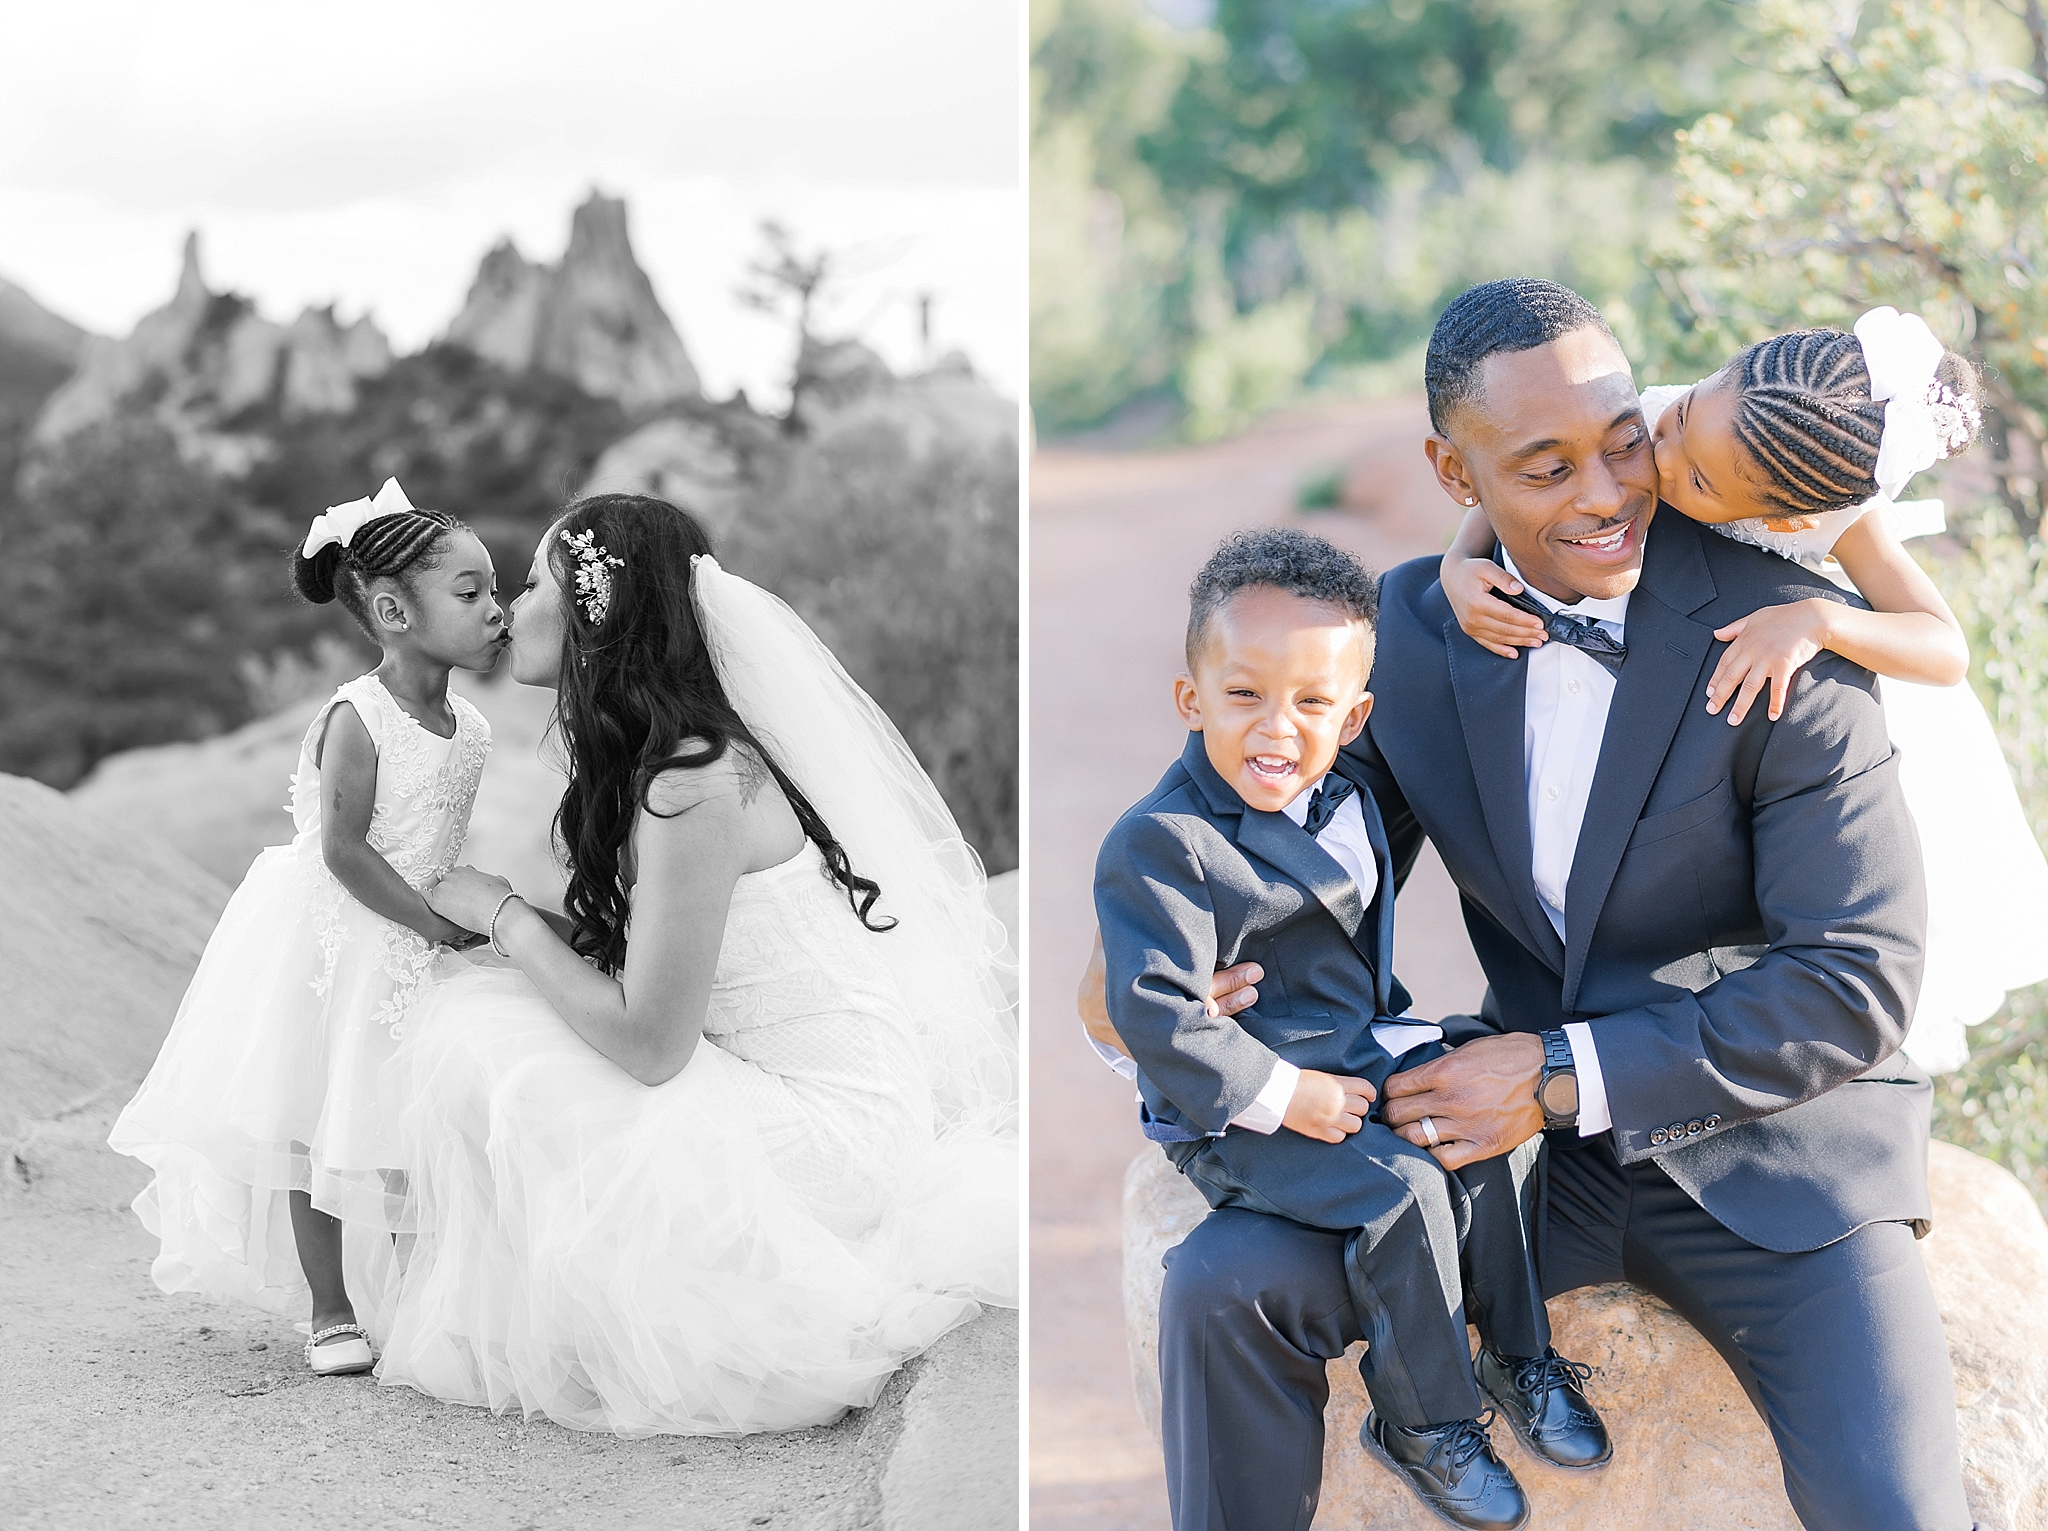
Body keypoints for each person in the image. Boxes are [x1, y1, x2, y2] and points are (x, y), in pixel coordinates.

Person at [1084, 278, 1976, 1529]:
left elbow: (1854, 983)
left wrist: (1555, 1073)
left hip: (1777, 1153)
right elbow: (1276, 827)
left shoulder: (1788, 636)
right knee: (1221, 1286)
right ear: (1455, 474)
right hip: (1512, 1169)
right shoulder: (1407, 628)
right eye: (1543, 467)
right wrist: (1145, 952)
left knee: (1901, 1512)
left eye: (1620, 442)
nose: (1606, 493)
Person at [371, 493, 1017, 1437]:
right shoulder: (658, 762)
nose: (513, 605)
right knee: (492, 1003)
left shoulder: (693, 782)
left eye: (539, 580)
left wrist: (506, 916)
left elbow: (649, 1041)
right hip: (767, 1076)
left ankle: (573, 1324)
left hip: (833, 1130)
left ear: (598, 614)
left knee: (484, 1043)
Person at [1093, 528, 1607, 1531]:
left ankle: (1515, 1353)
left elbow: (1355, 965)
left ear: (1353, 714)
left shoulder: (1348, 800)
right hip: (1240, 1105)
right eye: (1242, 695)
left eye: (1310, 703)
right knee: (1404, 1191)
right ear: (1190, 699)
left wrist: (1409, 1047)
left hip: (1350, 1046)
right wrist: (1291, 1094)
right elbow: (1150, 1011)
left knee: (1486, 1129)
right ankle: (1423, 1423)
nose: (1274, 728)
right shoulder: (1162, 841)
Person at [1438, 307, 2048, 1073]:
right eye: (1674, 420)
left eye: (1693, 479)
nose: (1655, 460)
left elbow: (1943, 646)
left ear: (1786, 520)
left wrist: (1821, 619)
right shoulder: (1674, 421)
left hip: (1810, 698)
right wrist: (1459, 564)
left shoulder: (1839, 520)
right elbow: (1512, 489)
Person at [109, 478, 504, 1378]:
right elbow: (344, 850)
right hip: (336, 934)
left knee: (413, 1119)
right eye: (471, 592)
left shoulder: (472, 728)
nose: (496, 608)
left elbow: (436, 837)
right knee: (314, 1117)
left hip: (418, 933)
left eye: (496, 589)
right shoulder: (356, 718)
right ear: (396, 610)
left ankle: (421, 1295)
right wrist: (433, 926)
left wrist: (453, 918)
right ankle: (330, 1306)